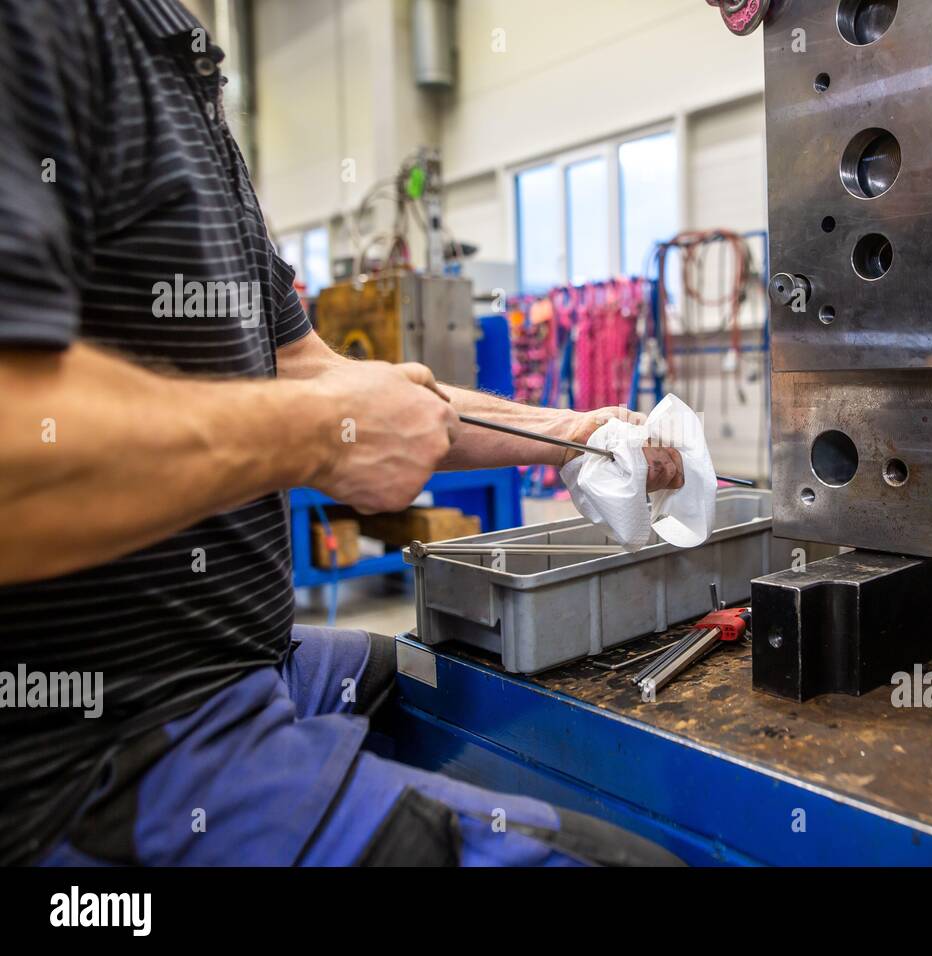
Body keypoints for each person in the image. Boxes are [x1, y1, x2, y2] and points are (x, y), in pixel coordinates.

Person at [0, 0, 683, 866]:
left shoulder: (175, 66)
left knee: (479, 693)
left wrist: (573, 432)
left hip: (245, 665)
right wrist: (325, 435)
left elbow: (304, 370)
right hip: (97, 752)